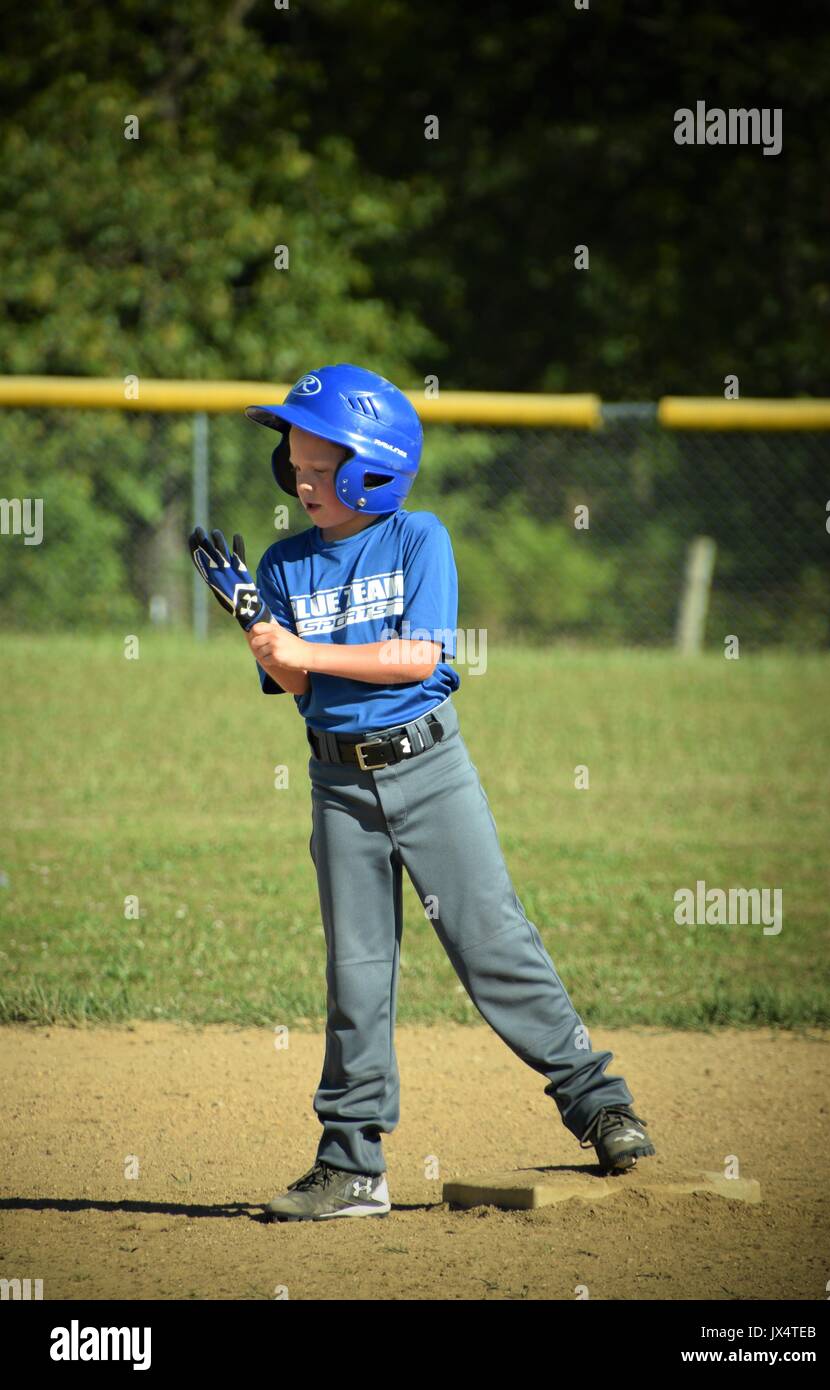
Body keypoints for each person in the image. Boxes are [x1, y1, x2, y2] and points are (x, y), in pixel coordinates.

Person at [189, 363, 655, 1223]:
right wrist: (262, 632)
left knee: (494, 947)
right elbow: (299, 686)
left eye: (322, 468)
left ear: (376, 467)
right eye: (294, 465)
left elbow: (419, 659)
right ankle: (351, 1167)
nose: (302, 480)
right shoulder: (287, 562)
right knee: (356, 977)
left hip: (430, 772)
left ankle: (602, 1106)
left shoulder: (418, 539)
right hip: (337, 784)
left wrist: (305, 648)